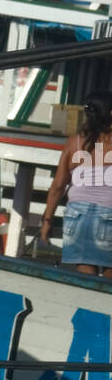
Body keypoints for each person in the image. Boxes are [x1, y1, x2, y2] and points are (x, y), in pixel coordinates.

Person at [41, 91, 112, 276]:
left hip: (76, 215)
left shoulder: (75, 142)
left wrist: (47, 220)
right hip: (109, 214)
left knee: (85, 278)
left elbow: (58, 186)